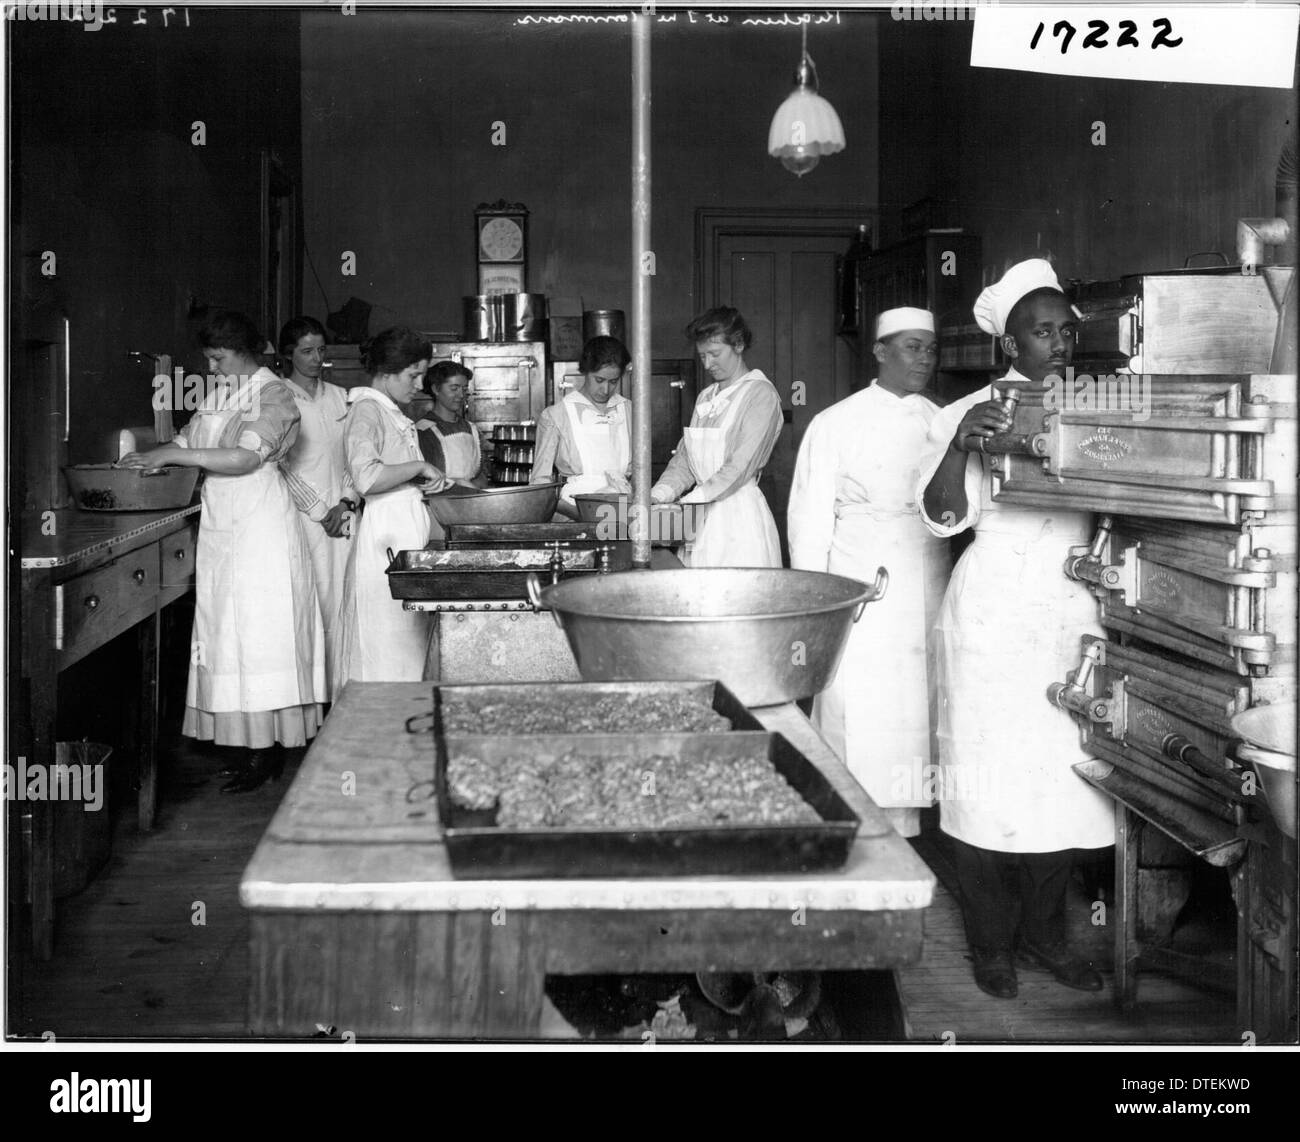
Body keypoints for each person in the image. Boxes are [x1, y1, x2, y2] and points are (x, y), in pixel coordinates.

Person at [917, 259, 1114, 1000]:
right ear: (1010, 346)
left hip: (1070, 608)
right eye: (1042, 330)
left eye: (1067, 329)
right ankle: (992, 946)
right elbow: (939, 518)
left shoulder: (1101, 409)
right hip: (994, 612)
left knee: (1059, 786)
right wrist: (961, 444)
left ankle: (1045, 939)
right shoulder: (966, 411)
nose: (1060, 342)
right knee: (989, 786)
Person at [119, 310, 326, 793]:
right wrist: (150, 457)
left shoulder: (275, 395)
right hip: (221, 527)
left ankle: (267, 752)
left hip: (261, 530)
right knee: (226, 637)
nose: (210, 368)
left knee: (259, 638)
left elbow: (245, 457)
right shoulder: (219, 395)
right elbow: (188, 440)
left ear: (243, 354)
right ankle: (243, 747)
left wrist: (171, 455)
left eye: (218, 358)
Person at [788, 307, 952, 839]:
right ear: (880, 352)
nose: (924, 358)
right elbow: (808, 523)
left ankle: (905, 828)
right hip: (860, 579)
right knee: (859, 699)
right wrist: (814, 604)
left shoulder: (943, 421)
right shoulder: (835, 422)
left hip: (927, 571)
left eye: (930, 348)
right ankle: (849, 818)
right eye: (911, 346)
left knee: (918, 700)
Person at [335, 328, 448, 689]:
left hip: (402, 531)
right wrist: (417, 468)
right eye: (412, 374)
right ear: (386, 371)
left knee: (407, 642)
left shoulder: (389, 410)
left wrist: (421, 480)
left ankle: (404, 723)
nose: (419, 384)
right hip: (384, 535)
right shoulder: (367, 410)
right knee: (387, 642)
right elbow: (366, 478)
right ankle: (386, 727)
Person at [650, 307, 782, 567]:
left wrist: (689, 502)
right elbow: (686, 460)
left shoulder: (760, 395)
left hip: (738, 520)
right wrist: (658, 495)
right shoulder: (706, 397)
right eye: (702, 356)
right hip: (700, 515)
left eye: (715, 354)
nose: (708, 364)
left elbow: (740, 466)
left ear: (739, 345)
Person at [278, 316, 355, 698]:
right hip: (304, 520)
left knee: (344, 606)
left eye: (321, 350)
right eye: (306, 351)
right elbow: (278, 466)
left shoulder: (341, 397)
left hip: (344, 516)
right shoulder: (278, 398)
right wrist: (319, 509)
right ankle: (309, 701)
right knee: (311, 607)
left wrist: (344, 501)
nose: (315, 358)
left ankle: (340, 699)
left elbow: (355, 456)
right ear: (288, 354)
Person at [530, 335, 632, 520]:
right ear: (585, 372)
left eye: (613, 382)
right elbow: (540, 485)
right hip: (572, 514)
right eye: (599, 380)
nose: (606, 390)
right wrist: (580, 514)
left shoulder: (629, 411)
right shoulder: (555, 415)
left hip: (621, 513)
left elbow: (640, 470)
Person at [415, 360, 484, 485]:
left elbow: (482, 475)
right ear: (436, 389)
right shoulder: (423, 431)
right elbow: (422, 481)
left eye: (464, 389)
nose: (461, 395)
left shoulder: (470, 429)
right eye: (454, 388)